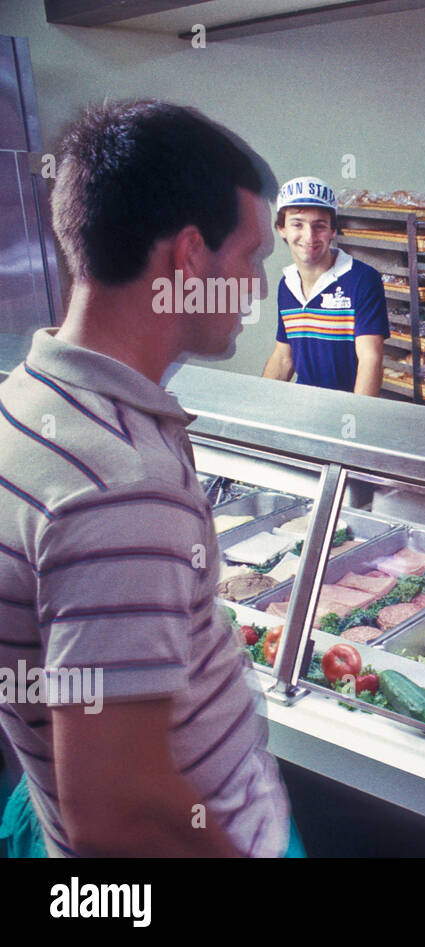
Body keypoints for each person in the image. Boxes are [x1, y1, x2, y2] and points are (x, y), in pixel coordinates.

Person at [0, 100, 295, 856]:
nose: (258, 290)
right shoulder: (120, 482)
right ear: (191, 256)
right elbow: (119, 817)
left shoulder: (24, 397)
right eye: (253, 257)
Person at [261, 176, 387, 395]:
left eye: (319, 226)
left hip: (348, 407)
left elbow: (370, 358)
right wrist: (257, 405)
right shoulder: (287, 284)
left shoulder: (363, 279)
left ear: (332, 231)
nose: (309, 236)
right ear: (281, 228)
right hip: (305, 404)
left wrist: (357, 420)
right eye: (297, 224)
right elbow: (283, 357)